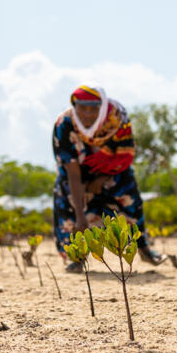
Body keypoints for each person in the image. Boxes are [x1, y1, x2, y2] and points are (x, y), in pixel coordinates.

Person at [51, 85, 164, 271]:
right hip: (77, 173)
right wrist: (80, 217)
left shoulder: (116, 118)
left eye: (94, 108)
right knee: (69, 204)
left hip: (113, 169)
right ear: (74, 106)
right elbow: (71, 170)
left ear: (102, 107)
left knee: (131, 202)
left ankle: (143, 248)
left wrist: (101, 179)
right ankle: (77, 257)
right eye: (82, 108)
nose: (88, 113)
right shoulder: (64, 124)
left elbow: (124, 152)